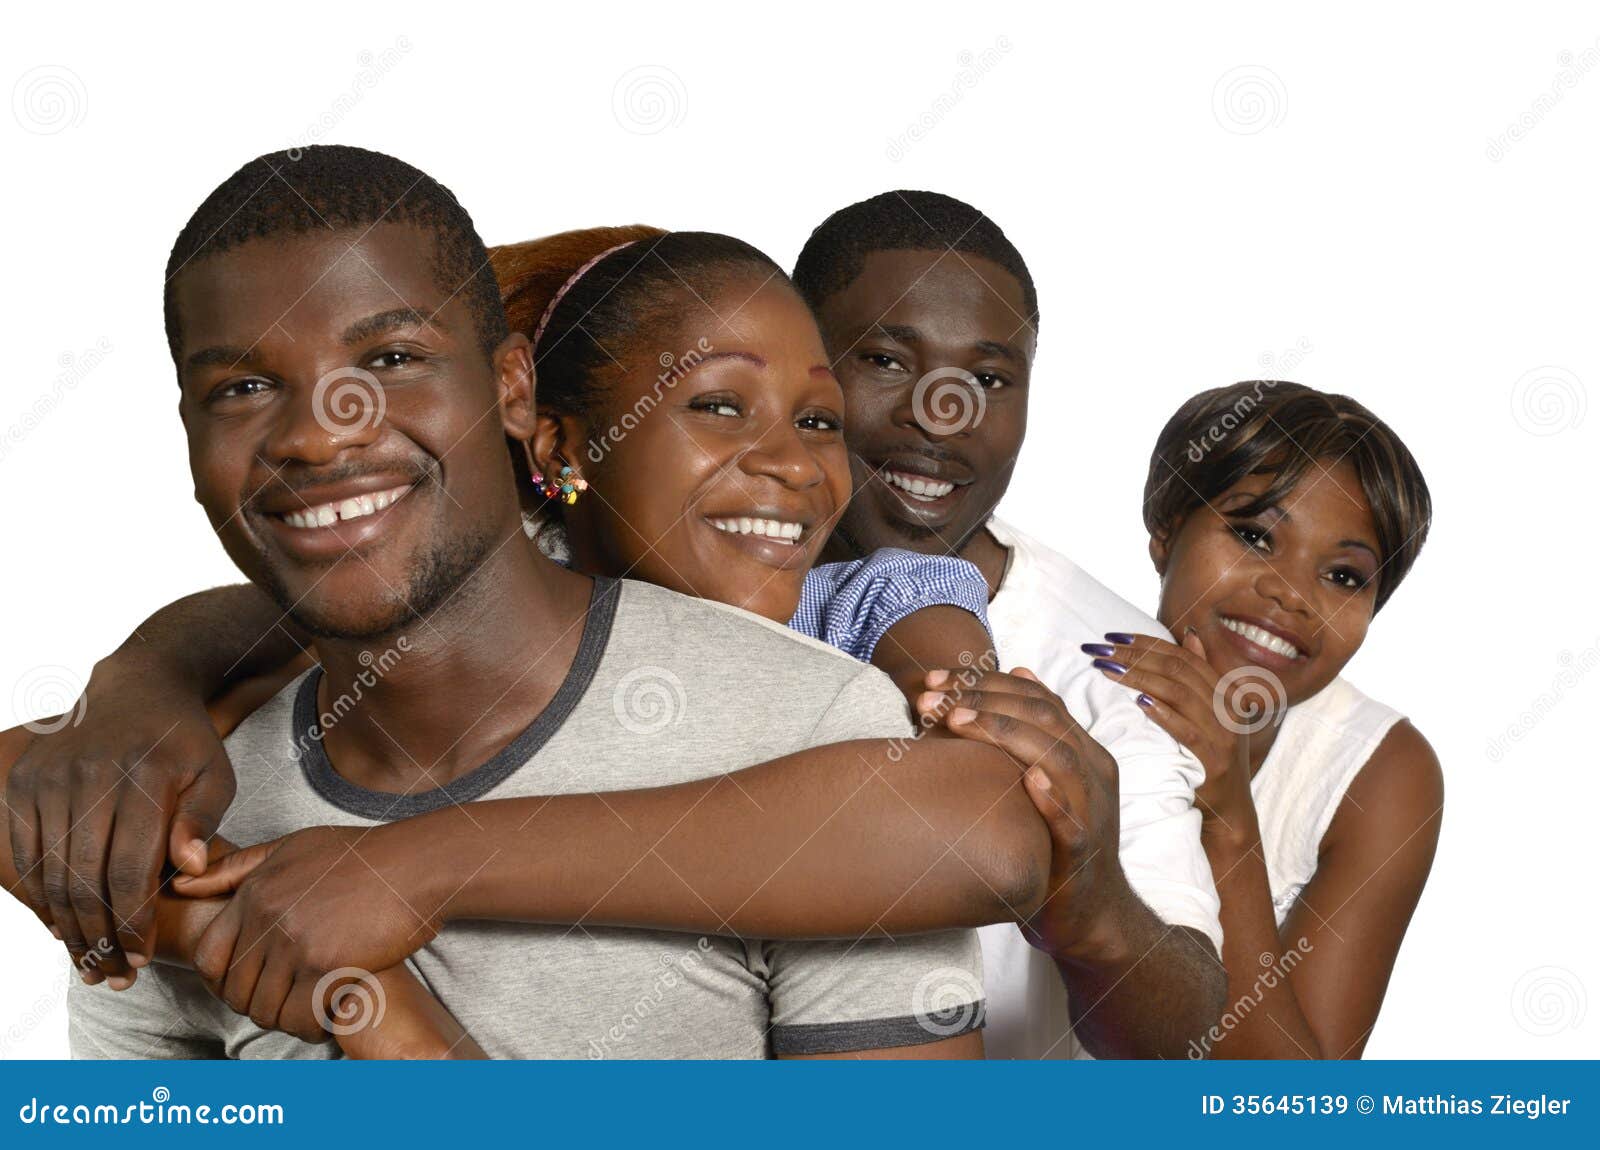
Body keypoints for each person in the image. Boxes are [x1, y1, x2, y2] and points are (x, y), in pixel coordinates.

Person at [7, 191, 1224, 1059]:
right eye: (716, 406)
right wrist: (132, 695)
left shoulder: (876, 638)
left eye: (813, 421)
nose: (791, 463)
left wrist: (409, 877)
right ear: (555, 438)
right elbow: (303, 608)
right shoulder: (409, 611)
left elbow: (983, 820)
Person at [793, 190, 1226, 1058]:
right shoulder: (693, 565)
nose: (941, 413)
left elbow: (1182, 1033)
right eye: (885, 359)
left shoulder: (1111, 665)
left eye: (989, 380)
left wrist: (1095, 910)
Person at [1076, 381, 1441, 1058]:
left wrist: (1228, 813)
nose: (1291, 593)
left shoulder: (1378, 773)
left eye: (1344, 576)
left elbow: (1298, 1105)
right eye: (1253, 536)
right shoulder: (1058, 665)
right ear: (1167, 529)